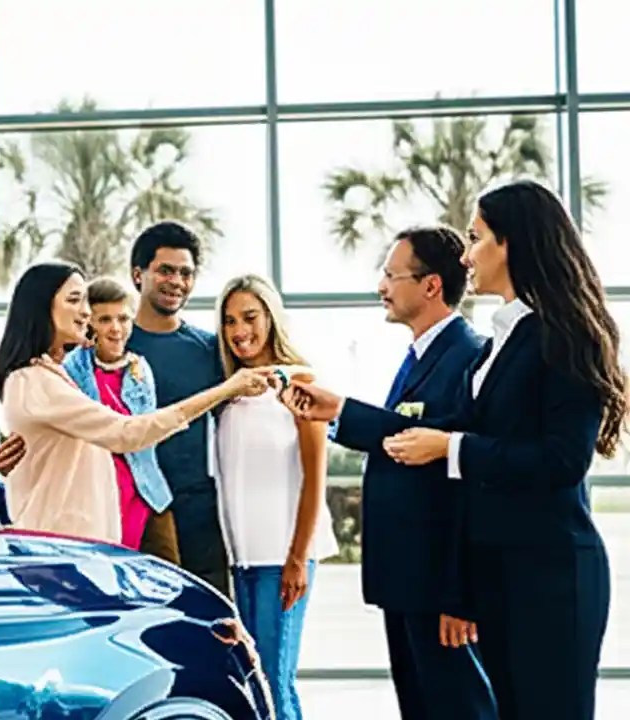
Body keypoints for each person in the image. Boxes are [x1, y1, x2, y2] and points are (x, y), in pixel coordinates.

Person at [284, 180, 623, 720]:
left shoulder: (563, 334)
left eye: (477, 237)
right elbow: (435, 432)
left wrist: (453, 448)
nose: (467, 254)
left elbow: (561, 461)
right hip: (502, 575)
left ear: (512, 243)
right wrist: (341, 409)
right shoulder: (499, 342)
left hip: (551, 577)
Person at [0, 221, 234, 595]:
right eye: (165, 270)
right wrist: (9, 464)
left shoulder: (208, 349)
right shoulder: (78, 356)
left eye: (185, 272)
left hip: (183, 508)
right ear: (138, 275)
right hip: (104, 518)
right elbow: (77, 433)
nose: (176, 281)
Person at [0, 260, 274, 544]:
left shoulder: (50, 375)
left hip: (78, 547)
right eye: (74, 300)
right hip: (62, 553)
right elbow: (127, 433)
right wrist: (225, 390)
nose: (85, 312)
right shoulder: (34, 381)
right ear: (43, 308)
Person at [351, 226, 497, 720]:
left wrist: (461, 594)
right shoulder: (419, 355)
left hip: (440, 588)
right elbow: (403, 436)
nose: (382, 287)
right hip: (407, 581)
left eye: (391, 275)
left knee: (460, 708)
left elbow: (468, 480)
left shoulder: (467, 355)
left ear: (431, 285)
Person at [212, 274, 335, 720]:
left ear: (271, 318)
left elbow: (314, 478)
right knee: (258, 682)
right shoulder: (230, 394)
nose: (240, 330)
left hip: (282, 559)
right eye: (229, 321)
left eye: (250, 317)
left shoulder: (298, 386)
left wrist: (298, 558)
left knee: (274, 682)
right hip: (242, 562)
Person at [59, 276, 178, 557]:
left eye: (123, 319)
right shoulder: (70, 369)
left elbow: (146, 432)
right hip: (97, 501)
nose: (116, 329)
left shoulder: (140, 370)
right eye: (105, 320)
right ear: (89, 323)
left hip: (147, 495)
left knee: (168, 585)